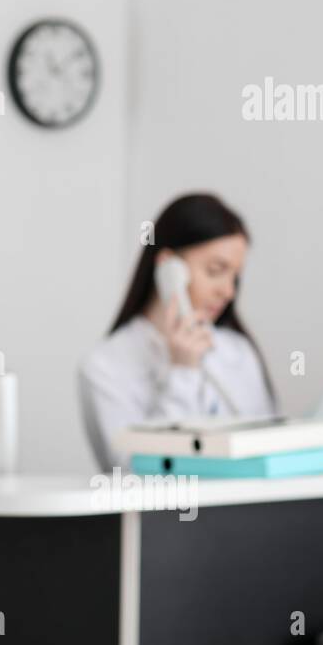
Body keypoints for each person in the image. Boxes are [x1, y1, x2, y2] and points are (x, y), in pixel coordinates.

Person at [78, 193, 276, 471]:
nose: (228, 291)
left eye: (235, 276)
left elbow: (271, 451)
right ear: (169, 267)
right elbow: (131, 469)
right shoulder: (105, 365)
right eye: (215, 270)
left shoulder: (238, 351)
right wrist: (184, 371)